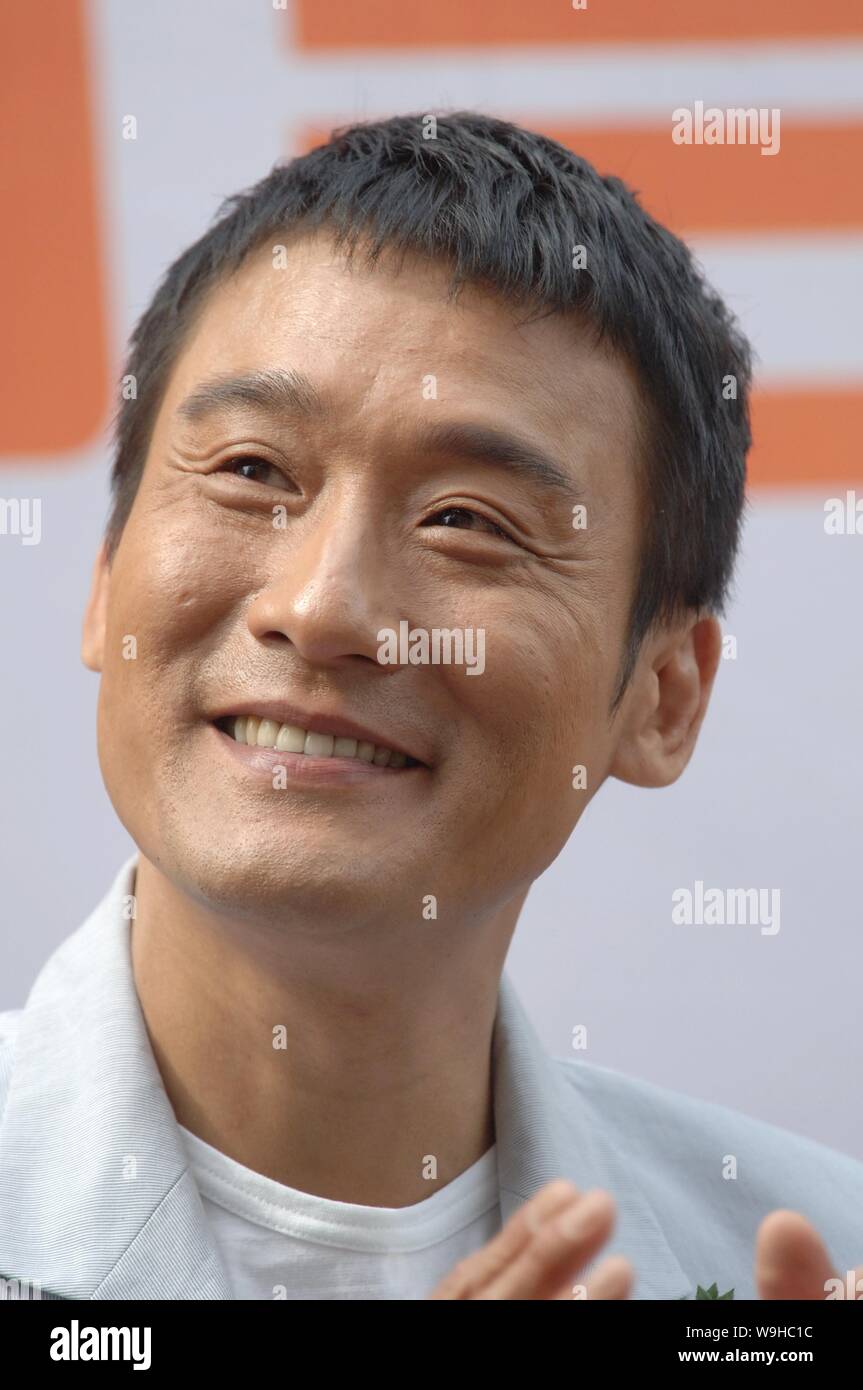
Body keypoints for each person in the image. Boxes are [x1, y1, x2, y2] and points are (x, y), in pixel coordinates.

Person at [1, 111, 861, 1303]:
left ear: (663, 695)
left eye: (467, 519)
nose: (321, 606)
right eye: (251, 472)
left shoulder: (804, 1263)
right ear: (106, 581)